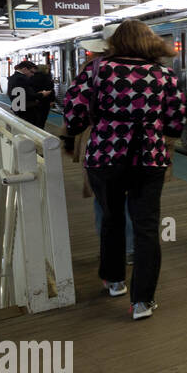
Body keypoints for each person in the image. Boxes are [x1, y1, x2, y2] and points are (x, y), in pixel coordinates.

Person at [63, 20, 185, 321]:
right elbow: (175, 122)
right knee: (146, 228)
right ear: (150, 42)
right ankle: (142, 302)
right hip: (149, 158)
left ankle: (114, 281)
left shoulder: (96, 70)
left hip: (106, 156)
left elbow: (74, 113)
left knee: (111, 219)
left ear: (115, 42)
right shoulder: (165, 74)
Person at [67, 37, 134, 267]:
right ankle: (133, 248)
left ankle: (114, 252)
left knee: (105, 201)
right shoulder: (147, 69)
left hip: (102, 145)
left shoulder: (92, 72)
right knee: (134, 199)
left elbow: (75, 114)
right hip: (139, 146)